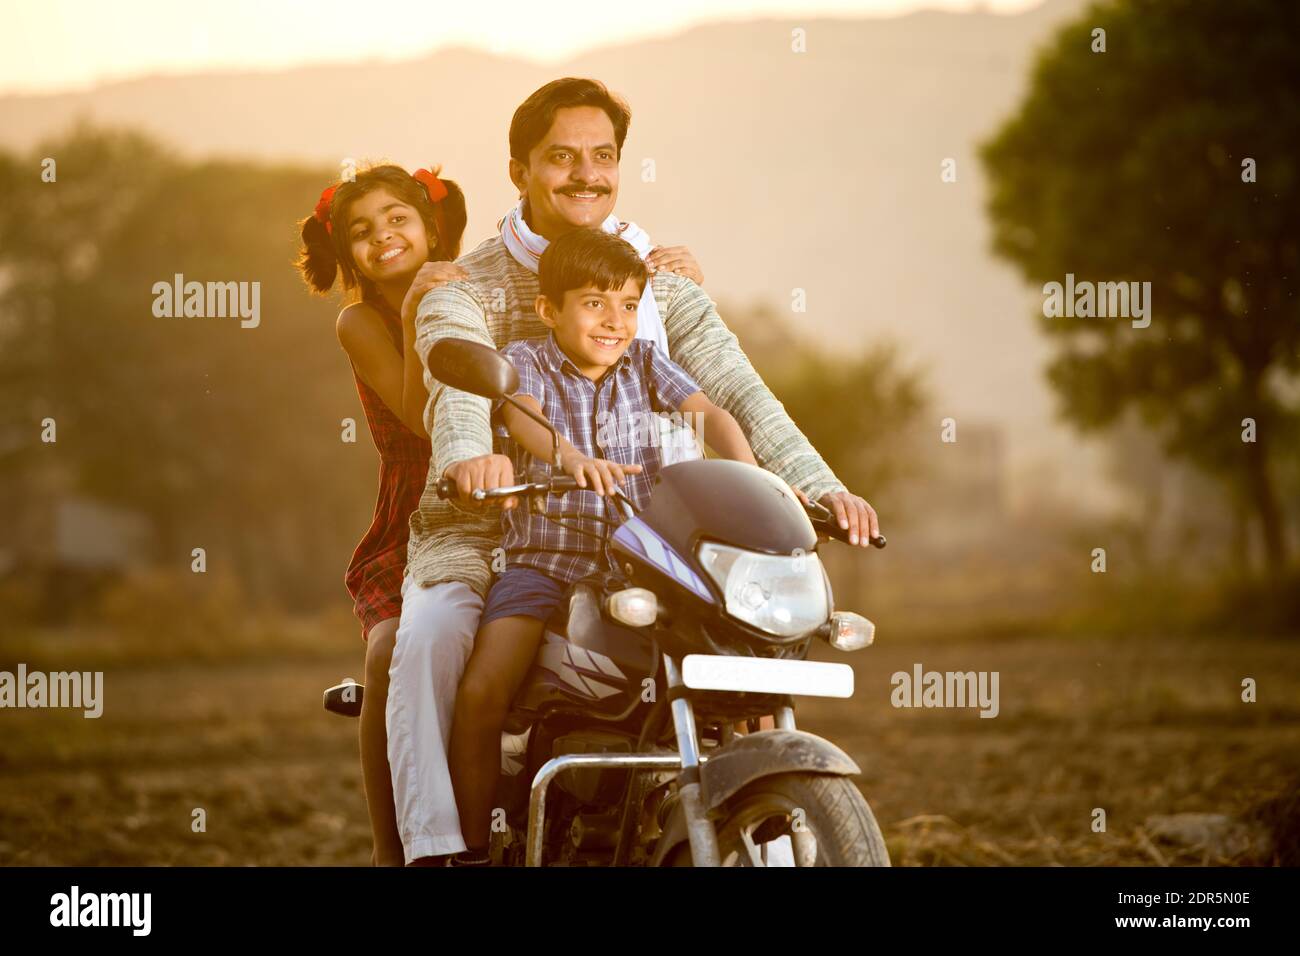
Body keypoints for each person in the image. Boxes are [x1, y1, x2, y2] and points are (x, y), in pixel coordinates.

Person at [387, 76, 881, 866]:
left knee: (748, 640)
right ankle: (441, 850)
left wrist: (807, 484)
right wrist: (465, 460)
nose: (585, 173)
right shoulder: (466, 282)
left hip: (647, 535)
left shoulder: (652, 280)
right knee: (432, 643)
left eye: (603, 155)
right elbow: (461, 395)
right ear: (518, 171)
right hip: (502, 523)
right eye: (561, 157)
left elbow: (733, 391)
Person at [297, 162, 704, 865]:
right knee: (395, 649)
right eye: (361, 232)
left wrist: (669, 269)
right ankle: (403, 847)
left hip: (542, 501)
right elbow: (424, 416)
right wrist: (429, 312)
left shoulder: (479, 280)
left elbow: (583, 304)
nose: (384, 237)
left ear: (432, 224)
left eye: (399, 218)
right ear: (345, 252)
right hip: (432, 501)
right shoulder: (361, 319)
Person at [446, 229, 756, 865]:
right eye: (594, 303)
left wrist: (751, 474)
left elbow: (711, 415)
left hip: (636, 568)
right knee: (481, 690)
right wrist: (571, 458)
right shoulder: (525, 358)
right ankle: (470, 851)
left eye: (629, 304)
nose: (615, 321)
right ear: (549, 310)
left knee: (733, 657)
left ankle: (738, 804)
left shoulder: (644, 363)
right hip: (548, 563)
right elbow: (520, 416)